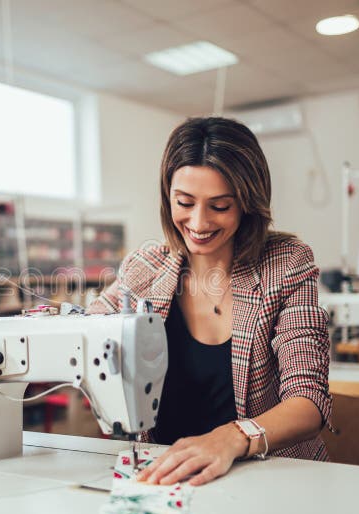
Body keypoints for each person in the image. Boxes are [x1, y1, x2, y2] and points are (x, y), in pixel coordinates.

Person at [88, 117, 331, 487]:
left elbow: (308, 400)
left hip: (270, 479)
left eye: (220, 206)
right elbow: (83, 335)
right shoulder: (146, 268)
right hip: (169, 477)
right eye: (184, 202)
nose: (198, 222)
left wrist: (231, 438)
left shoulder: (286, 264)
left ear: (249, 203)